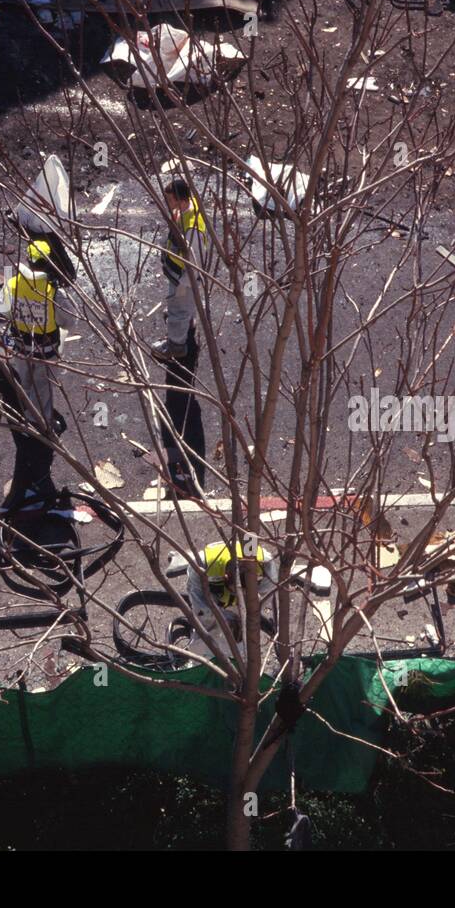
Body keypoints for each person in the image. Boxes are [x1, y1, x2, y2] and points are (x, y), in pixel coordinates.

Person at [0, 239, 73, 507]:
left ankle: (29, 416)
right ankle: (40, 426)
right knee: (42, 392)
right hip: (45, 351)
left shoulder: (13, 284)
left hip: (20, 349)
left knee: (25, 384)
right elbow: (68, 320)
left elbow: (3, 311)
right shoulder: (52, 290)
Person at [152, 178, 209, 497]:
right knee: (176, 315)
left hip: (184, 287)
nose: (167, 201)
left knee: (178, 316)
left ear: (179, 197)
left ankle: (178, 347)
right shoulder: (183, 214)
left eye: (169, 197)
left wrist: (183, 290)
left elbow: (194, 264)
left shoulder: (194, 225)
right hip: (178, 282)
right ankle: (179, 338)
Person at [182, 541, 278, 649]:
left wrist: (250, 612)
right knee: (207, 626)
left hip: (243, 583)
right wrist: (221, 616)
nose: (240, 597)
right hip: (211, 588)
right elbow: (199, 605)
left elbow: (266, 594)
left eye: (246, 592)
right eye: (236, 592)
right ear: (225, 578)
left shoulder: (265, 564)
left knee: (243, 628)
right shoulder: (202, 564)